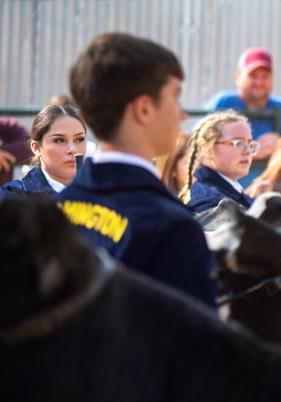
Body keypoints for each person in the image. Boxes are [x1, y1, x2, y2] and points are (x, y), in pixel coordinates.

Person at [58, 32, 217, 307]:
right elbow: (196, 346)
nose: (183, 114)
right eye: (175, 97)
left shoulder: (58, 207)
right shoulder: (172, 228)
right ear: (144, 109)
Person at [201, 47, 281, 181]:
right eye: (253, 76)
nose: (259, 82)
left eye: (265, 76)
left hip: (272, 194)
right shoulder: (222, 104)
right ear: (238, 76)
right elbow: (195, 148)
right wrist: (249, 151)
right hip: (223, 194)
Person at [178, 109, 255, 214]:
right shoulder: (210, 202)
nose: (248, 151)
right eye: (238, 143)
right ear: (208, 149)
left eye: (250, 144)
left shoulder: (234, 194)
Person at [2, 103, 87, 196]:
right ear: (36, 148)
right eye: (59, 140)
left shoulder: (101, 193)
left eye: (79, 139)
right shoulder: (12, 197)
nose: (72, 149)